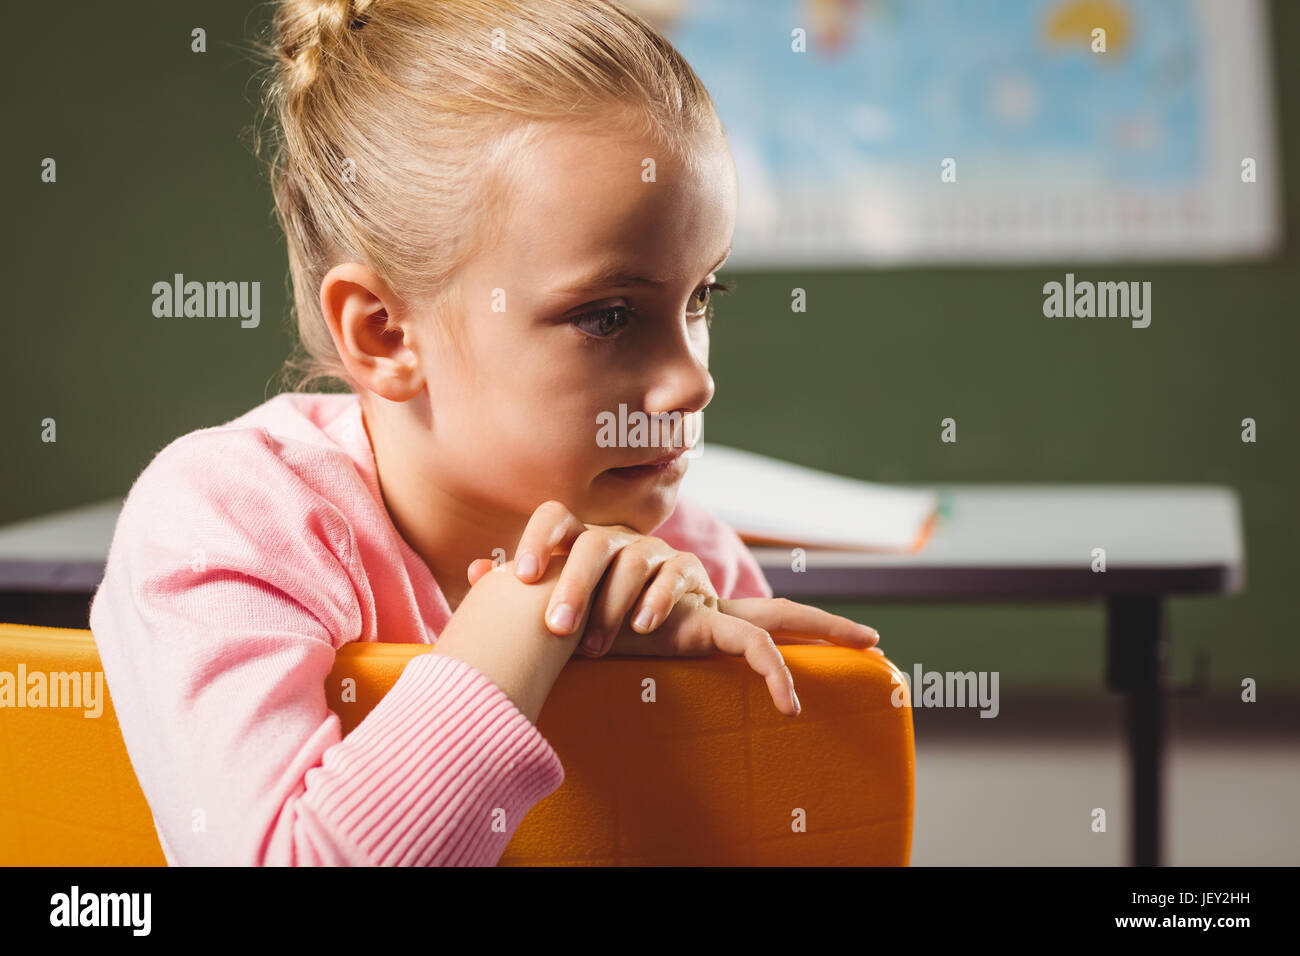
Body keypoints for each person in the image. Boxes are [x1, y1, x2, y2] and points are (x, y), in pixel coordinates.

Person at [89, 0, 880, 867]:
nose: (694, 379)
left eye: (701, 299)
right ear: (385, 333)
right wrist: (540, 613)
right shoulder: (227, 525)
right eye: (609, 315)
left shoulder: (689, 565)